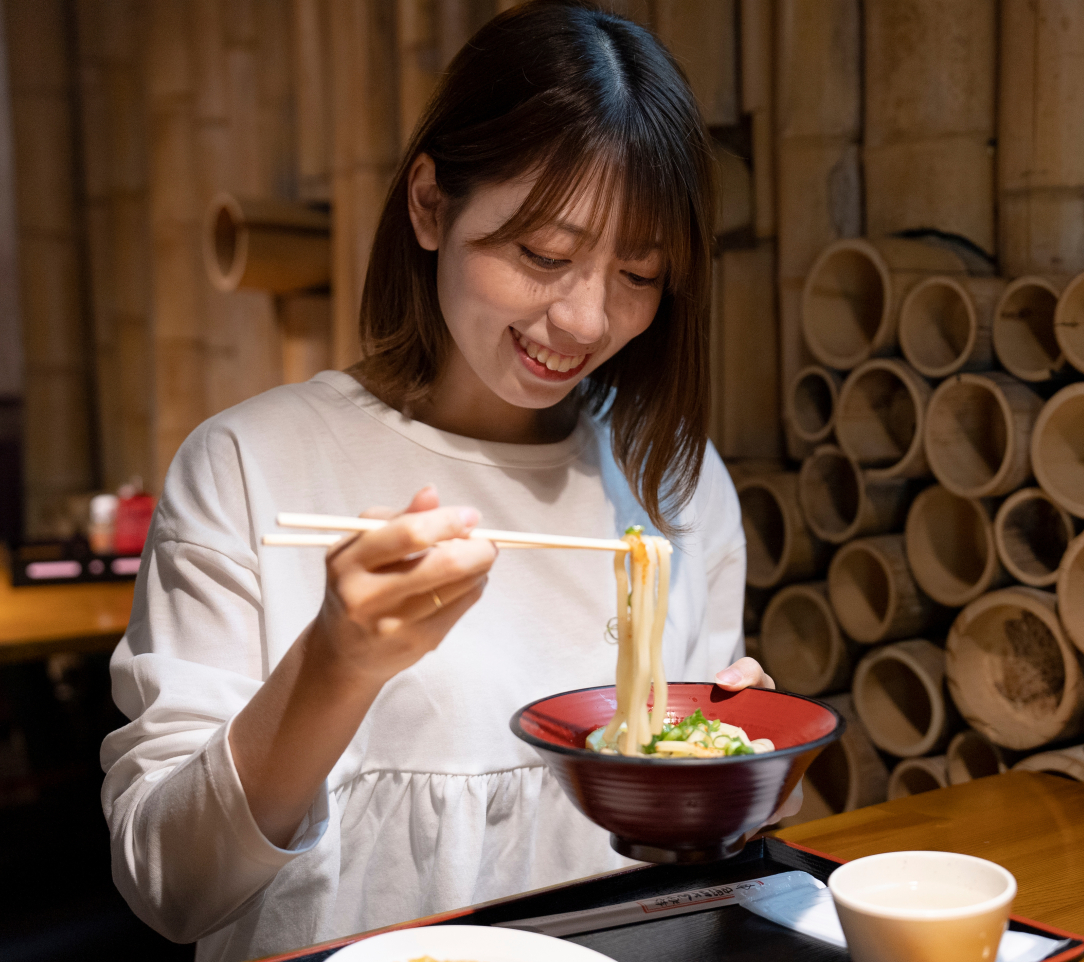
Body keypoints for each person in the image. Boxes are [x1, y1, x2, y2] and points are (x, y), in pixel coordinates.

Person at [100, 4, 779, 958]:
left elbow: (675, 878)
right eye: (544, 255)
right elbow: (168, 884)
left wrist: (719, 785)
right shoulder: (250, 466)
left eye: (639, 273)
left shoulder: (675, 481)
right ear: (430, 205)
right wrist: (336, 662)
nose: (584, 319)